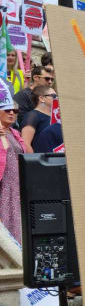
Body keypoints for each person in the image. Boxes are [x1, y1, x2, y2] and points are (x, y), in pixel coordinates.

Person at [0, 79, 27, 243]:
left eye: (15, 111)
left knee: (17, 224)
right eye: (7, 110)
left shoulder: (15, 133)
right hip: (3, 187)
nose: (12, 113)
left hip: (17, 186)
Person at [16, 84, 55, 149]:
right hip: (42, 158)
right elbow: (25, 143)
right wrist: (34, 159)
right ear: (41, 98)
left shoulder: (55, 115)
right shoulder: (33, 116)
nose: (56, 98)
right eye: (53, 96)